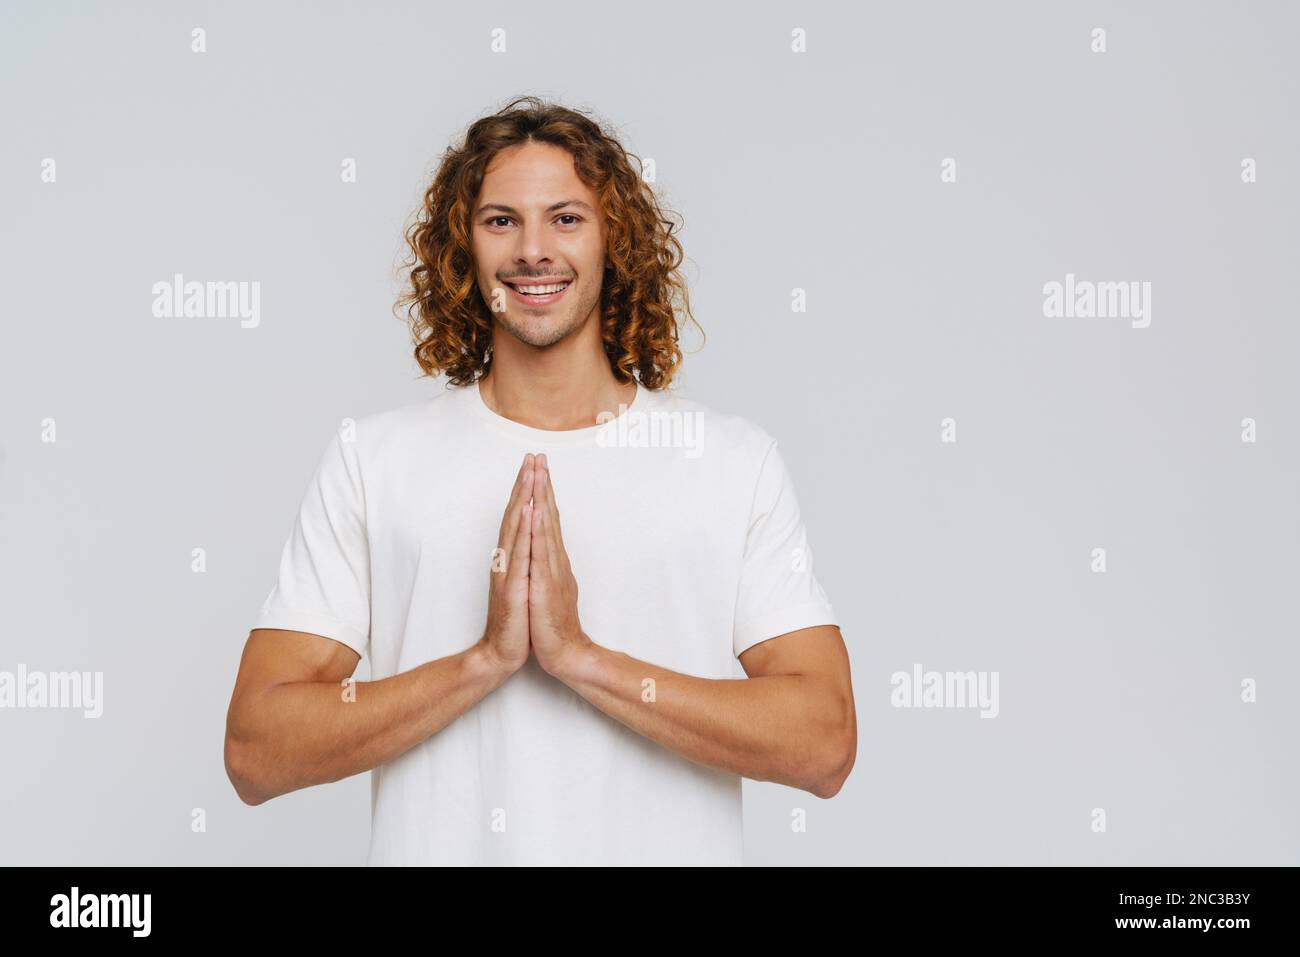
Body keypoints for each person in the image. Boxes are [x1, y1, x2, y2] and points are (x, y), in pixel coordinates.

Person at [224, 95, 856, 865]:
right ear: (464, 247)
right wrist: (482, 661)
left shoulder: (728, 460)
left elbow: (824, 740)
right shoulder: (375, 460)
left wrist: (581, 658)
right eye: (500, 220)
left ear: (612, 240)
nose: (532, 250)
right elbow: (256, 748)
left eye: (565, 218)